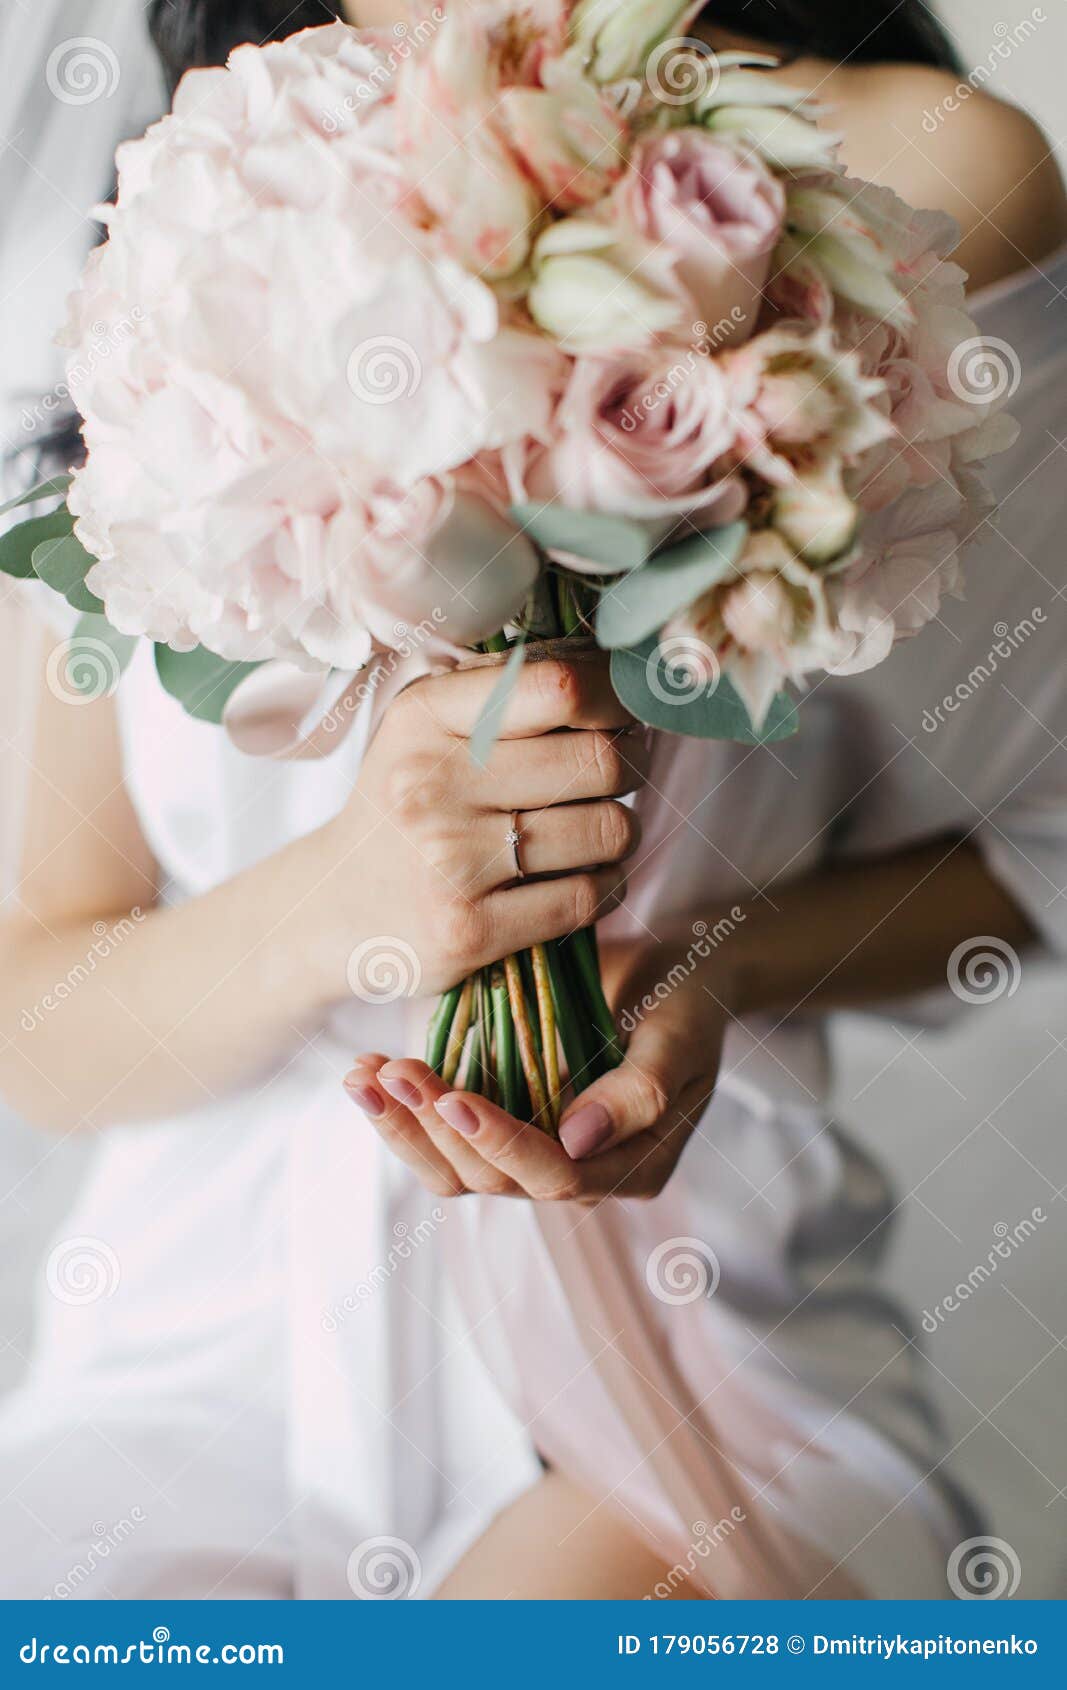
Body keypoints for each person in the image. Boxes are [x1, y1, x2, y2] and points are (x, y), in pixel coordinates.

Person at [0, 0, 1065, 1599]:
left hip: (703, 1314)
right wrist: (340, 903)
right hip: (198, 1352)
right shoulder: (193, 194)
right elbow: (38, 1003)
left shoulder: (915, 172)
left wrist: (710, 965)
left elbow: (1038, 832)